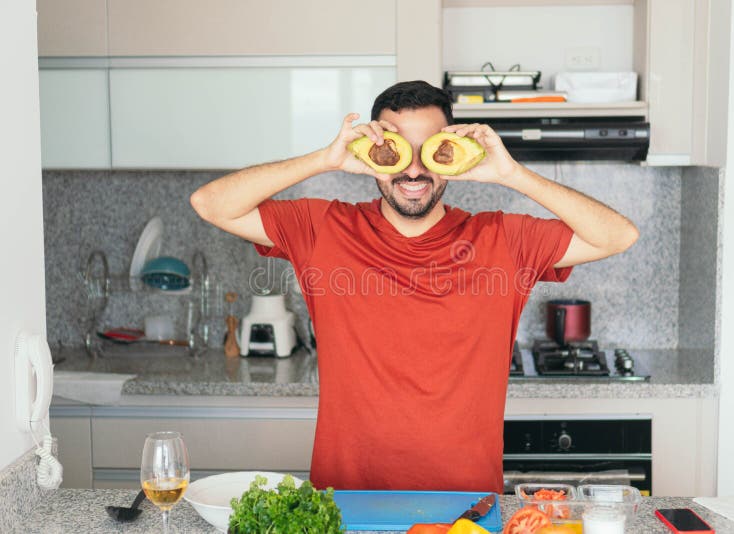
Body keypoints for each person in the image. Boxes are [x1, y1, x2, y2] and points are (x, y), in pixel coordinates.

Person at [190, 80, 639, 493]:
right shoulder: (323, 228)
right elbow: (210, 204)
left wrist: (511, 174)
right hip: (347, 503)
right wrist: (323, 160)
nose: (413, 169)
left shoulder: (504, 239)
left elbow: (618, 235)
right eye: (396, 150)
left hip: (465, 507)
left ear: (456, 154)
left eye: (432, 151)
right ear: (371, 154)